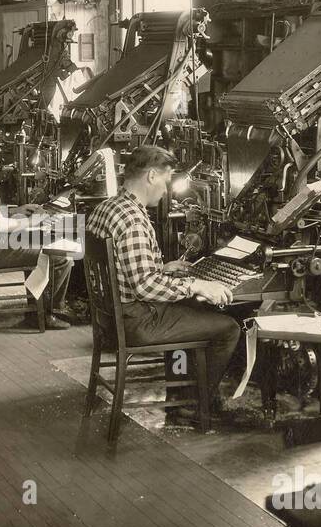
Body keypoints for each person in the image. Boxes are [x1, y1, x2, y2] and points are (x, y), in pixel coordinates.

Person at [85, 144, 243, 426]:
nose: (167, 189)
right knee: (228, 328)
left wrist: (163, 269)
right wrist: (196, 285)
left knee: (186, 311)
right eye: (167, 180)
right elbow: (145, 286)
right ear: (151, 176)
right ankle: (192, 405)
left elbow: (125, 267)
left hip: (109, 318)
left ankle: (180, 393)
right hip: (136, 321)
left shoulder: (106, 208)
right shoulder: (133, 220)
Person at [0, 121, 72, 329]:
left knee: (44, 240)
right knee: (61, 255)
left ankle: (37, 310)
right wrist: (29, 222)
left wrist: (16, 211)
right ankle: (45, 314)